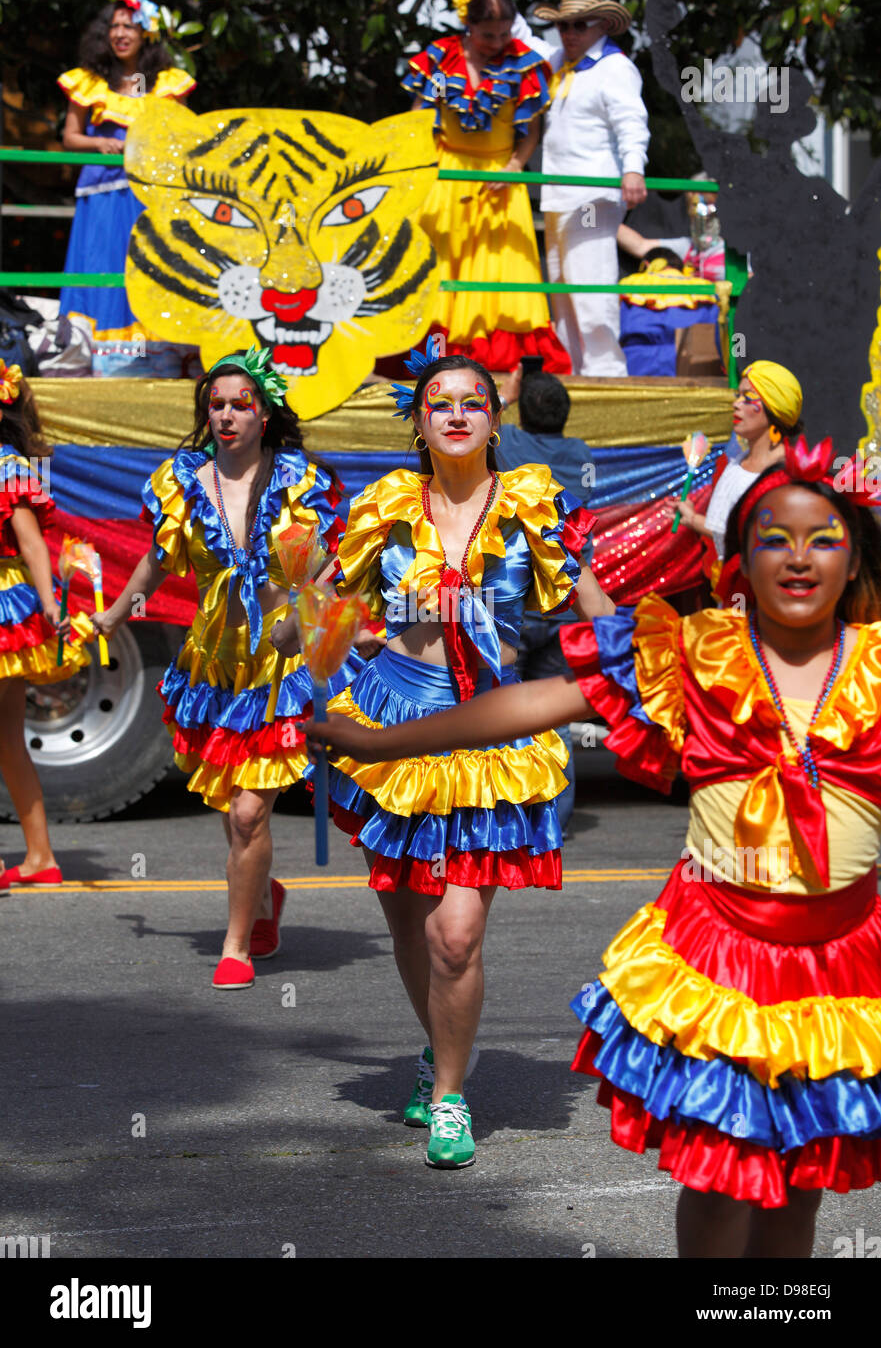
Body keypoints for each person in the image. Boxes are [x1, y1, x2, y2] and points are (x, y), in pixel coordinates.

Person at [306, 435, 881, 1256]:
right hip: (717, 960)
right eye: (772, 540)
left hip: (843, 972)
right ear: (738, 562)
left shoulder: (875, 667)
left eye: (822, 539)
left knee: (799, 1191)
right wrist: (382, 744)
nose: (797, 559)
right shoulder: (696, 653)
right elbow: (538, 701)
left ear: (853, 561)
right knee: (720, 1179)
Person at [275, 344, 612, 1169]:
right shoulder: (387, 506)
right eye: (439, 404)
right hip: (393, 723)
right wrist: (297, 607)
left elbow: (596, 610)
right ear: (419, 425)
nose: (457, 413)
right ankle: (439, 1045)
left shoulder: (532, 504)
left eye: (473, 401)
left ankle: (452, 1096)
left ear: (493, 420)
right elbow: (321, 617)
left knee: (455, 935)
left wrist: (636, 672)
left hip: (489, 730)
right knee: (411, 924)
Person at [90, 347, 362, 989]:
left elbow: (328, 563)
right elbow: (158, 560)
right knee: (227, 802)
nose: (228, 415)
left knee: (248, 814)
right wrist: (117, 613)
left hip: (278, 664)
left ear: (265, 415)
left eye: (242, 404)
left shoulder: (299, 480)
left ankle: (236, 943)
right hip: (214, 666)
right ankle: (264, 898)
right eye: (217, 404)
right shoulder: (184, 481)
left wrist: (335, 617)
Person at [403, 0, 570, 372]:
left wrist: (514, 168)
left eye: (503, 33)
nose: (496, 42)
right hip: (445, 176)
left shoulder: (524, 64)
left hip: (500, 179)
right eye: (487, 34)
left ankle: (498, 363)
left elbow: (531, 133)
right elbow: (417, 119)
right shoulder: (441, 59)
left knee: (501, 269)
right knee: (440, 267)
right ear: (468, 26)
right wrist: (417, 165)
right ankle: (431, 360)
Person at [503, 0, 650, 375]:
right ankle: (572, 374)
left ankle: (606, 375)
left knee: (590, 286)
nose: (569, 33)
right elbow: (527, 44)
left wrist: (634, 168)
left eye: (579, 25)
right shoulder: (559, 63)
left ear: (602, 26)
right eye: (564, 25)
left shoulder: (615, 68)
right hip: (559, 197)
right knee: (564, 292)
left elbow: (632, 122)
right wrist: (508, 4)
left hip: (592, 196)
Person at [58, 0, 195, 376]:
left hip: (146, 190)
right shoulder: (91, 80)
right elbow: (70, 137)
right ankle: (99, 352)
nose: (120, 34)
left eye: (129, 27)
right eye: (113, 27)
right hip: (101, 188)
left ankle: (151, 351)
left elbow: (184, 135)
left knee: (143, 264)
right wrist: (98, 141)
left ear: (145, 34)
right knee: (102, 263)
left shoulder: (157, 81)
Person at [0, 361, 92, 892]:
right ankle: (39, 857)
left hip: (5, 604)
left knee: (7, 737)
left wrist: (49, 603)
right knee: (7, 739)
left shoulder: (5, 464)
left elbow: (33, 542)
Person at [496, 365, 595, 831]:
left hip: (513, 606)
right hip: (565, 606)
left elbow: (479, 424)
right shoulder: (581, 453)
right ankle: (556, 816)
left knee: (503, 711)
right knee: (555, 716)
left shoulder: (510, 444)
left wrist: (508, 395)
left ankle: (509, 809)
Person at [665, 360, 803, 589]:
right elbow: (726, 529)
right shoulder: (737, 463)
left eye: (747, 397)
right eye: (738, 395)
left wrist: (694, 520)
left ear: (774, 406)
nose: (736, 404)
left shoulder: (785, 475)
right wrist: (691, 518)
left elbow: (755, 538)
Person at [618, 247, 719, 377]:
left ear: (647, 265)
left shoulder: (630, 284)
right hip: (695, 368)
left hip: (638, 366)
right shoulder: (705, 289)